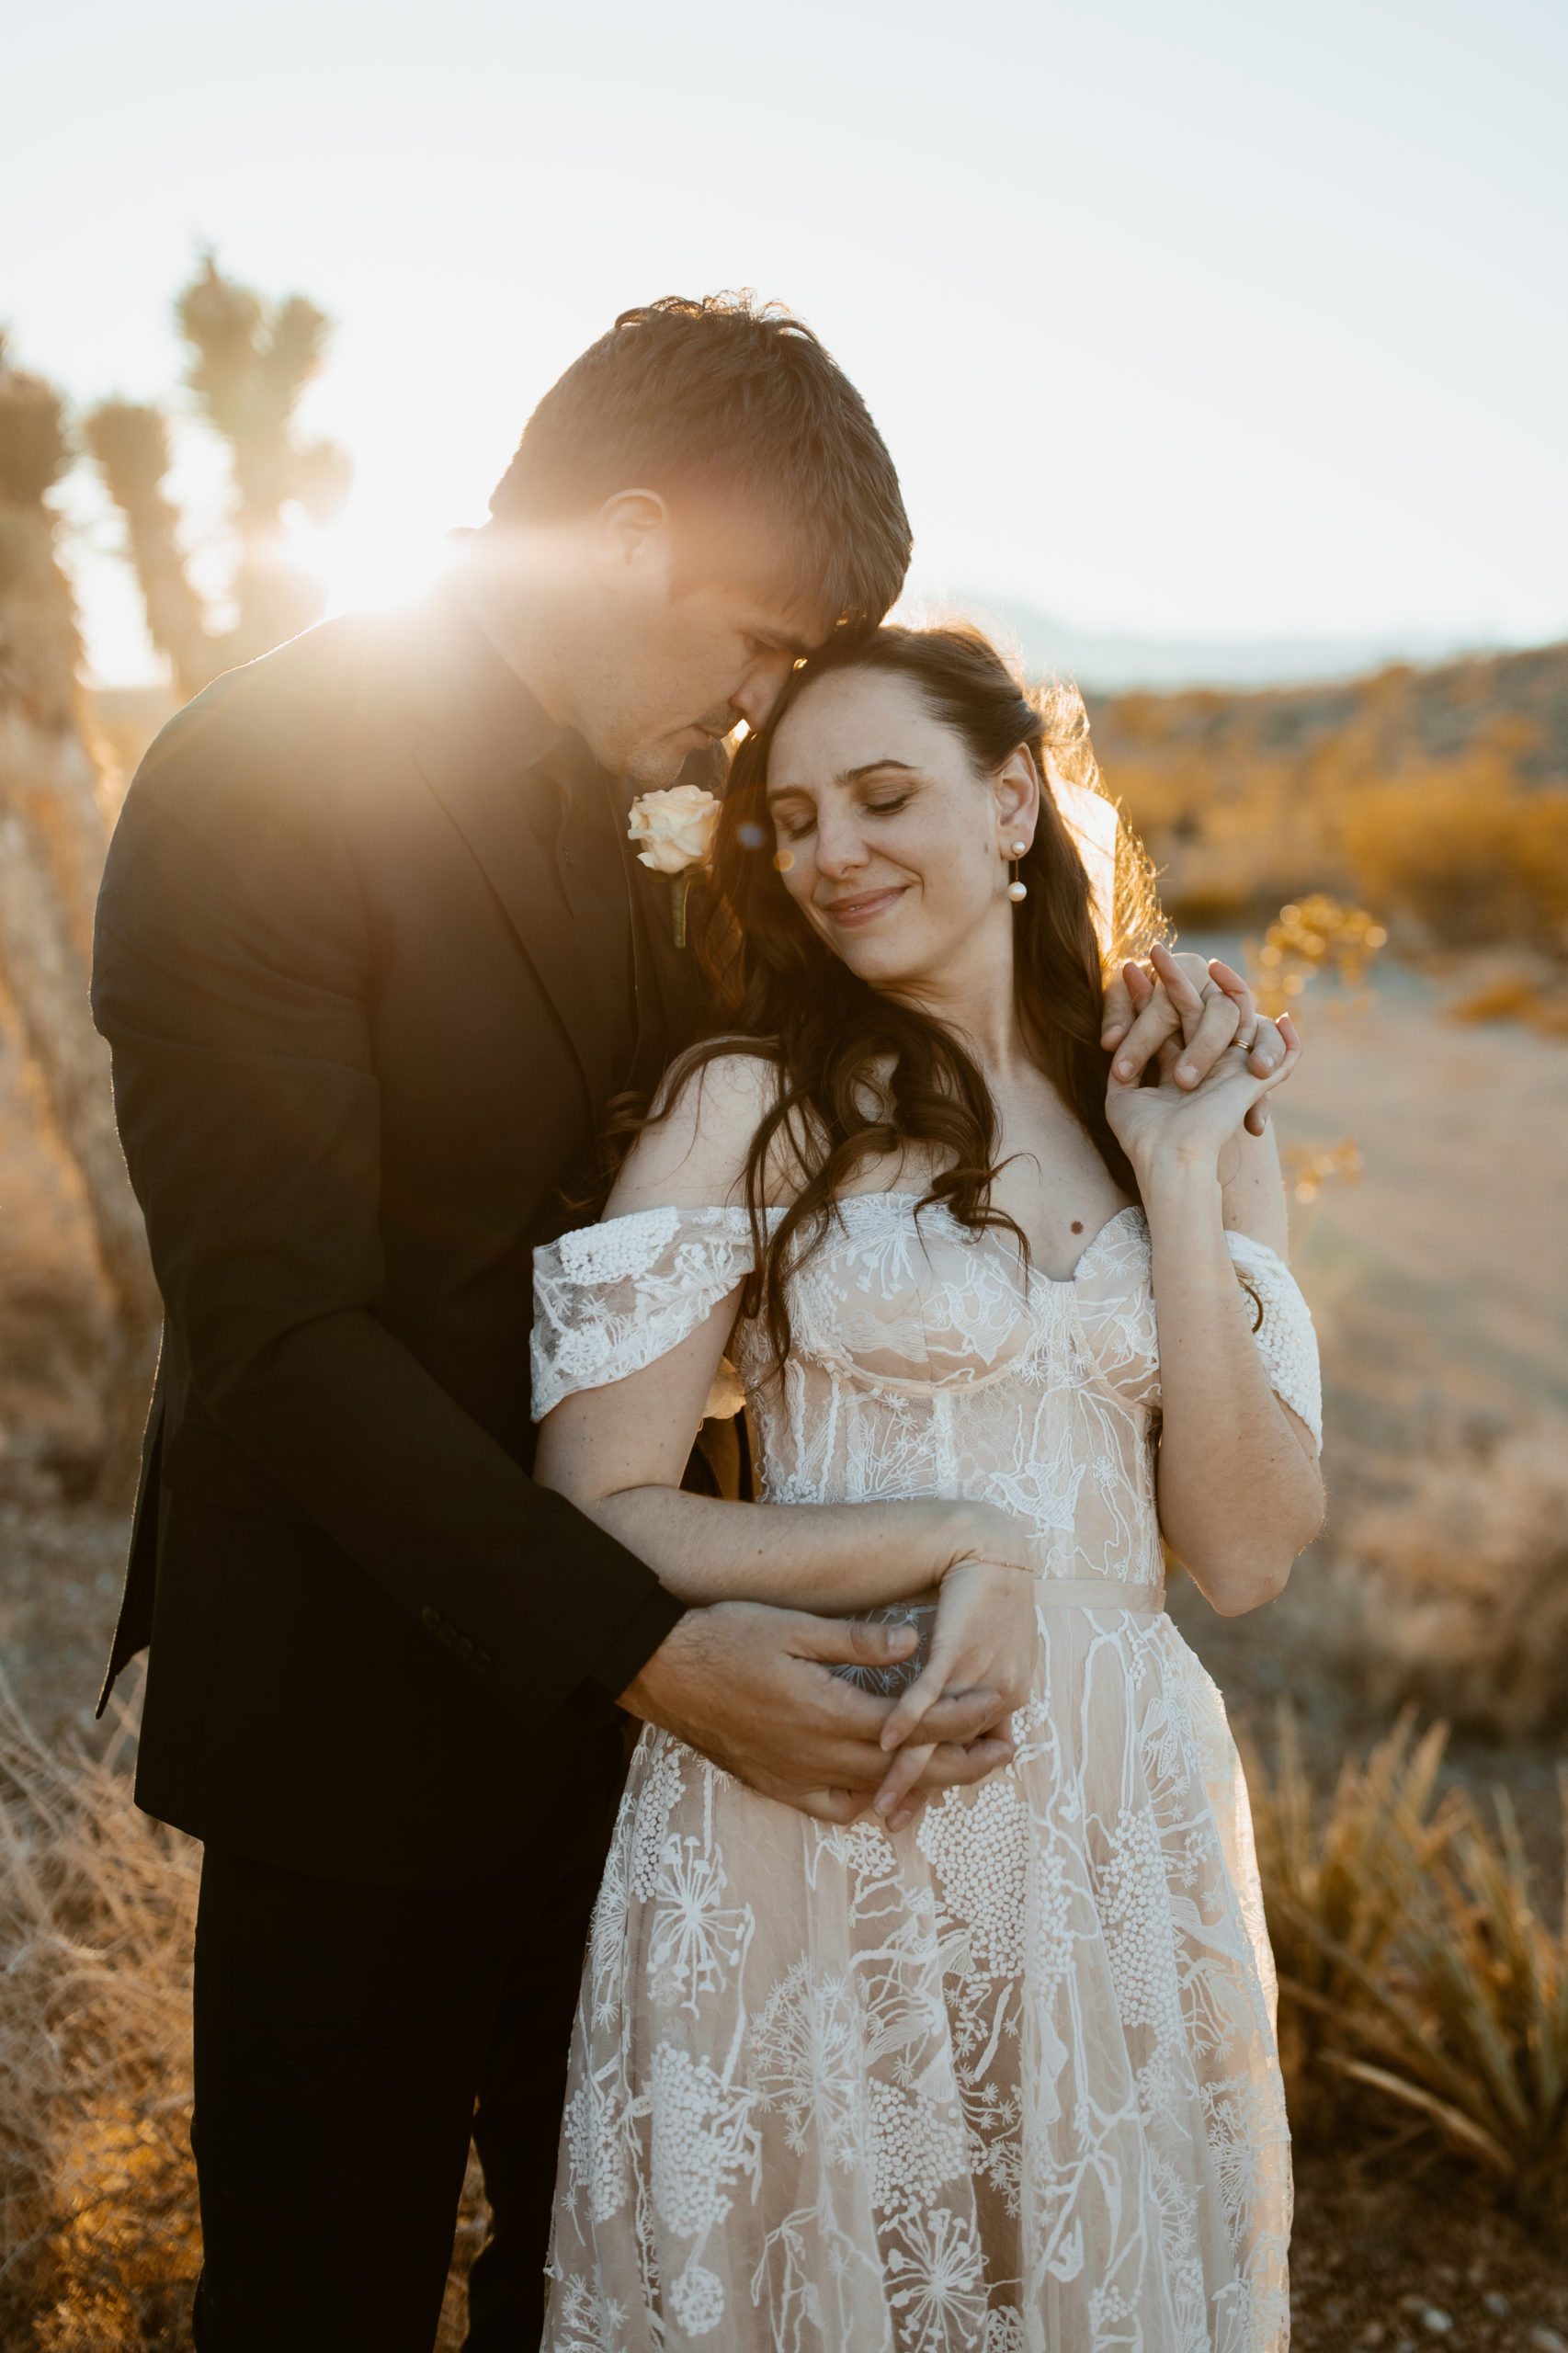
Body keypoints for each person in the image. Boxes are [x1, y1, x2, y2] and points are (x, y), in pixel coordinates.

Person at [92, 292, 1285, 2350]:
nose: (761, 731)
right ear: (630, 539)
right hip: (370, 1707)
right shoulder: (252, 780)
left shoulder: (693, 815)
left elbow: (873, 1040)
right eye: (753, 653)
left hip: (717, 1757)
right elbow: (274, 1334)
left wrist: (1134, 1038)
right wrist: (646, 1639)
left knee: (640, 2269)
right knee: (321, 2293)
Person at [530, 623, 1324, 2351]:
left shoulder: (1185, 1104)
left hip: (1115, 1817)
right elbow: (594, 1506)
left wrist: (1180, 1186)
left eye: (883, 797)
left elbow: (1246, 1554)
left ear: (1017, 800)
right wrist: (963, 1536)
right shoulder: (749, 1111)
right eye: (793, 820)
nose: (830, 853)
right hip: (827, 1787)